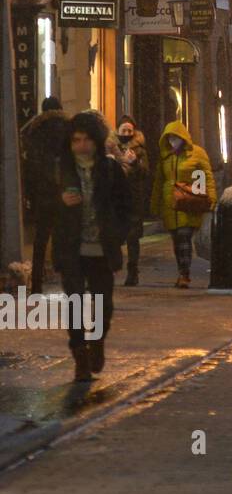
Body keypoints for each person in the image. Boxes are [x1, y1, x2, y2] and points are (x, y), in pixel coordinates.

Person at [53, 112, 132, 381]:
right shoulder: (61, 170)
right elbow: (43, 208)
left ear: (97, 142)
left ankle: (96, 342)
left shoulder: (109, 170)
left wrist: (118, 235)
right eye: (76, 140)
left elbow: (126, 207)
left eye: (87, 139)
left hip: (100, 249)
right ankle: (80, 355)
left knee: (103, 306)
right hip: (71, 248)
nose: (82, 145)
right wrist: (60, 200)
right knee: (75, 303)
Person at [149, 120, 215, 288]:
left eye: (175, 137)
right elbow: (159, 181)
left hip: (189, 203)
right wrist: (155, 205)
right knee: (177, 240)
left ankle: (184, 274)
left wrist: (209, 199)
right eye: (170, 138)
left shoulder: (196, 154)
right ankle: (181, 270)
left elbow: (206, 176)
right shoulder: (166, 157)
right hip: (171, 205)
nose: (173, 141)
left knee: (184, 236)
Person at [19, 97, 70, 294]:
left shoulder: (33, 132)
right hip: (66, 192)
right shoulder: (70, 128)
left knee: (41, 240)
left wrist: (30, 194)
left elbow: (29, 167)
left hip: (43, 194)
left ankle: (37, 286)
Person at [113, 116, 150, 286]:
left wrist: (135, 163)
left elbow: (145, 173)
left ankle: (132, 271)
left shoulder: (140, 150)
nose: (127, 133)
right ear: (118, 130)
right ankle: (112, 268)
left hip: (133, 197)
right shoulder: (111, 147)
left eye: (130, 130)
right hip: (115, 199)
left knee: (133, 237)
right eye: (123, 130)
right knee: (114, 235)